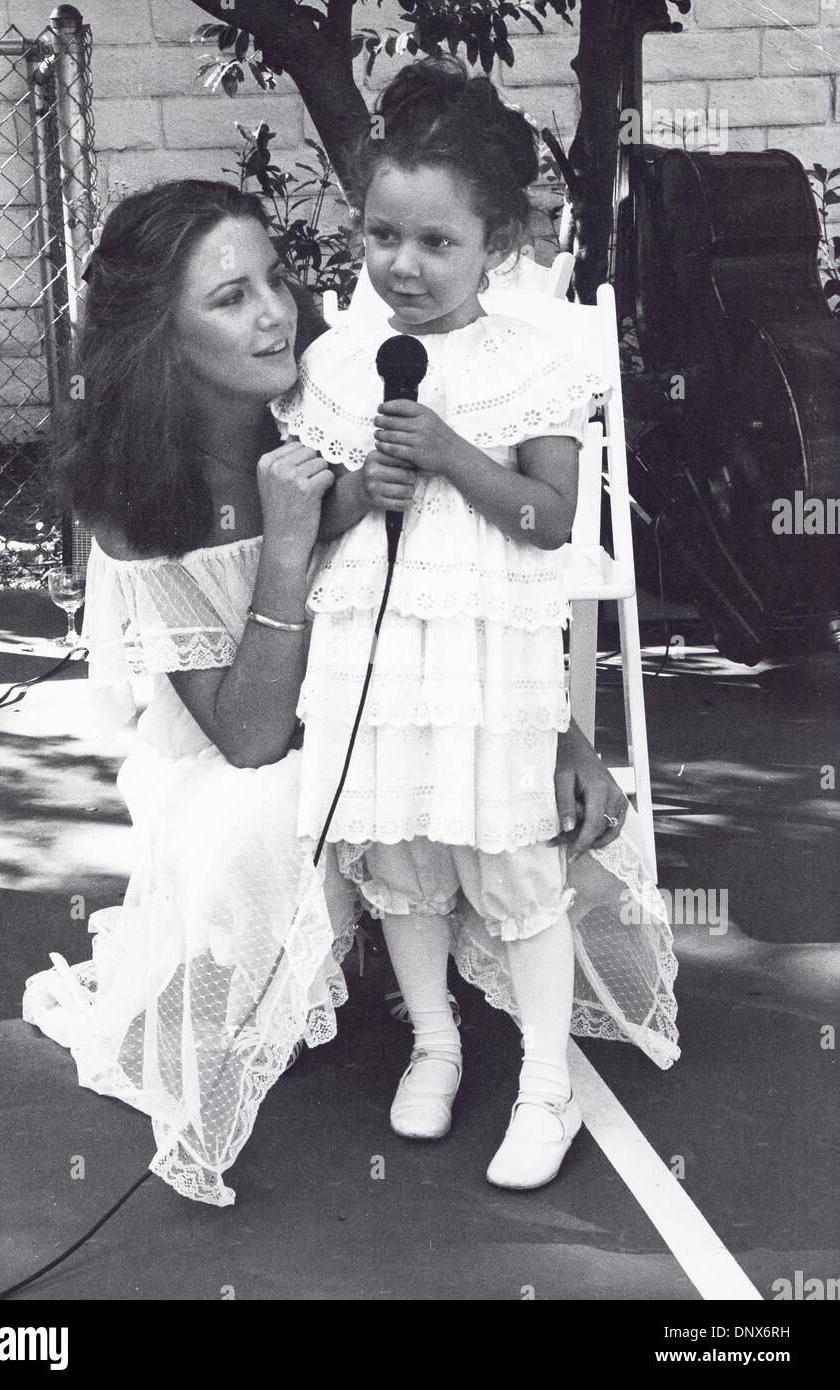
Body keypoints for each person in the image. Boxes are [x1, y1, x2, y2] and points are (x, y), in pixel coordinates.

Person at [21, 177, 653, 1209]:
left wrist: (557, 733)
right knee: (268, 823)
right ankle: (389, 990)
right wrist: (285, 547)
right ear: (158, 337)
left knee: (487, 785)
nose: (275, 312)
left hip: (400, 686)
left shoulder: (324, 392)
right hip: (251, 750)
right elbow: (251, 737)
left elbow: (455, 589)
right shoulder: (134, 489)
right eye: (229, 299)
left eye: (274, 278)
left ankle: (465, 1019)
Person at [271, 57, 678, 1191]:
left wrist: (452, 456)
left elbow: (548, 519)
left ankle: (543, 1079)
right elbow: (330, 507)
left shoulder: (529, 359)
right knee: (399, 853)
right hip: (380, 653)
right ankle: (435, 1040)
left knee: (507, 861)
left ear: (495, 240)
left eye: (434, 243)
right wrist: (368, 491)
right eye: (379, 236)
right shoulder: (341, 362)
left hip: (487, 657)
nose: (400, 265)